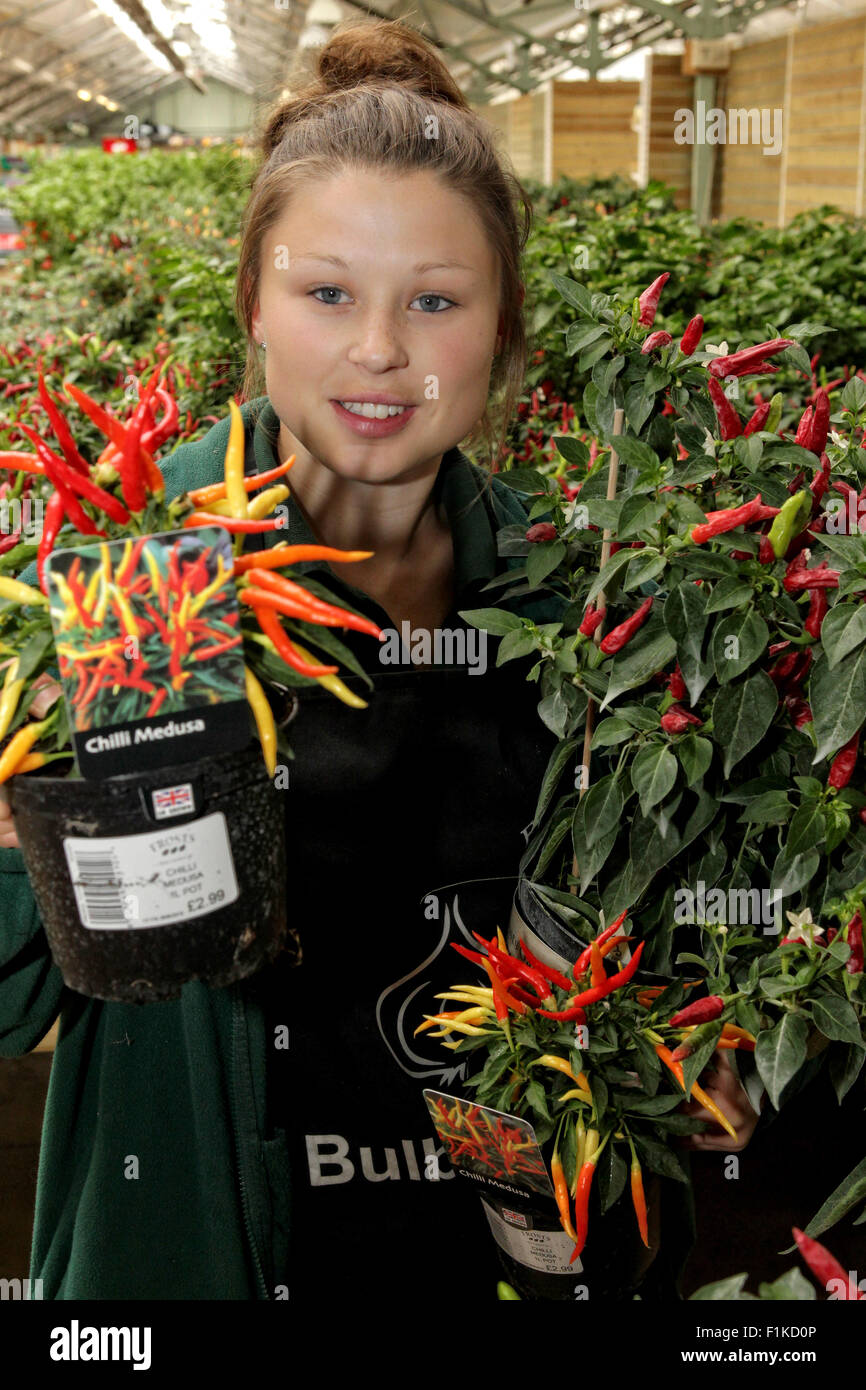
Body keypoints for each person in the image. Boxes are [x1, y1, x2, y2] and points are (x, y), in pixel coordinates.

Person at [0, 17, 758, 1301]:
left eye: (436, 300)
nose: (378, 351)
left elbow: (666, 929)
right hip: (208, 1252)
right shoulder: (136, 581)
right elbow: (19, 992)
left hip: (498, 1254)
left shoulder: (588, 599)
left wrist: (696, 1046)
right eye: (327, 291)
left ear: (503, 328)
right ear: (252, 302)